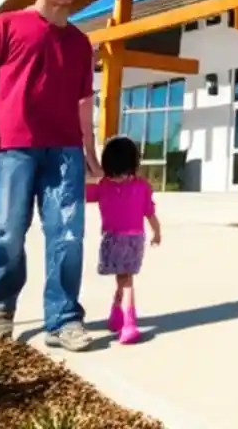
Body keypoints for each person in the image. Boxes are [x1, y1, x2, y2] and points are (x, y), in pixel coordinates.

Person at [0, 0, 101, 352]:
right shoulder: (4, 26)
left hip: (64, 150)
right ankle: (1, 306)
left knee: (68, 233)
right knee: (9, 230)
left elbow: (82, 103)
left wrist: (90, 152)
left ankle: (63, 319)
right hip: (11, 147)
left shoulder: (79, 42)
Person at [86, 135, 162, 345]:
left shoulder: (103, 186)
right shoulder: (142, 186)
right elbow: (150, 213)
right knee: (125, 278)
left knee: (124, 279)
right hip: (135, 240)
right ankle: (119, 315)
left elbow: (82, 193)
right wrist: (157, 232)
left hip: (113, 239)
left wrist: (89, 171)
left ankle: (127, 321)